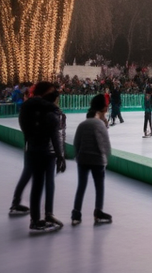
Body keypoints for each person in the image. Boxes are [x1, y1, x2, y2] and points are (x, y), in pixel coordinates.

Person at [17, 81, 66, 233]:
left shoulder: (28, 107)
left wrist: (31, 139)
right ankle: (47, 215)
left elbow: (24, 126)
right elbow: (55, 135)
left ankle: (35, 219)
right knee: (48, 183)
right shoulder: (50, 110)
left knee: (37, 185)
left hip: (33, 149)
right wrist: (60, 155)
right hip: (46, 152)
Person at [70, 94, 112, 225]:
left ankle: (76, 214)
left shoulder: (82, 125)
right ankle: (98, 212)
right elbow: (104, 143)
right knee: (99, 187)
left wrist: (77, 156)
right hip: (97, 160)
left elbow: (76, 142)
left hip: (83, 159)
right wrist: (105, 158)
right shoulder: (100, 124)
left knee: (81, 186)